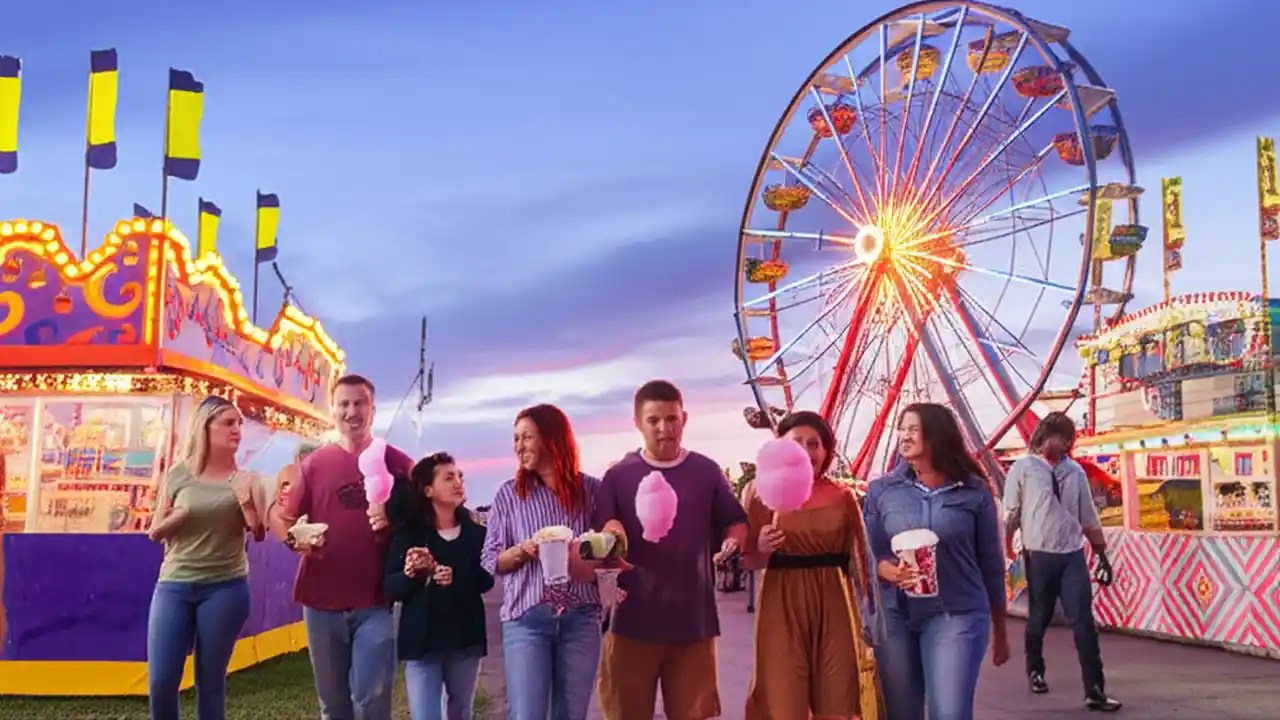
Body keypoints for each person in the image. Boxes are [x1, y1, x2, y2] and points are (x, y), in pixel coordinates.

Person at [593, 380, 748, 720]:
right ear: (637, 423)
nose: (665, 428)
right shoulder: (618, 477)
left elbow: (735, 521)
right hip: (630, 624)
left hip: (693, 625)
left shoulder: (706, 472)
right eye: (654, 420)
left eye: (672, 419)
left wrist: (732, 544)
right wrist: (611, 538)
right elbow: (601, 538)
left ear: (684, 419)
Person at [270, 374, 414, 720]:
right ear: (332, 411)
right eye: (344, 404)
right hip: (321, 600)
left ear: (373, 409)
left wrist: (395, 519)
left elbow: (424, 515)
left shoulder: (397, 463)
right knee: (333, 705)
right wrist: (294, 539)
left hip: (376, 601)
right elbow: (281, 515)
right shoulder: (314, 465)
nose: (352, 411)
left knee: (372, 699)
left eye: (360, 403)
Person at [862, 403, 1009, 720]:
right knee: (902, 713)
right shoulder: (881, 491)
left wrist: (1001, 628)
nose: (904, 436)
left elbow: (992, 563)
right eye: (902, 429)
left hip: (956, 613)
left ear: (936, 434)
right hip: (895, 617)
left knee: (950, 712)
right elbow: (865, 551)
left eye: (913, 429)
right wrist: (885, 569)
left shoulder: (974, 492)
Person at [741, 410, 879, 720]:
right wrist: (760, 546)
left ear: (827, 450)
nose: (806, 451)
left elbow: (861, 561)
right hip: (781, 600)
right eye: (796, 443)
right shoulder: (759, 493)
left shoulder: (843, 497)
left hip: (834, 601)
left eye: (814, 443)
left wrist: (872, 620)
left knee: (838, 693)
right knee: (782, 693)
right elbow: (748, 559)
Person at [479, 404, 609, 720]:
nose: (518, 446)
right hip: (526, 620)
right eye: (516, 438)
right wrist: (523, 550)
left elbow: (612, 549)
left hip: (580, 617)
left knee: (571, 713)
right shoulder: (509, 495)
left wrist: (581, 553)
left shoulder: (592, 490)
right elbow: (490, 560)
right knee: (527, 714)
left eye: (527, 437)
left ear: (552, 439)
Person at [145, 395, 264, 720]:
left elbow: (258, 530)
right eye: (228, 422)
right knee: (161, 682)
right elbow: (155, 530)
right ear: (204, 427)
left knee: (210, 683)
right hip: (174, 585)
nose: (236, 429)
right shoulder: (178, 475)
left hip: (225, 587)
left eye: (239, 423)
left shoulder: (246, 479)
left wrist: (246, 502)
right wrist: (179, 515)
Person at [1004, 412, 1122, 712]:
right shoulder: (1024, 468)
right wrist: (1008, 545)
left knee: (1084, 622)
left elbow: (1087, 515)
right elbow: (1011, 512)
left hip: (1071, 555)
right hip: (1038, 553)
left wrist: (1101, 554)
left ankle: (1094, 689)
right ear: (1046, 436)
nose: (1065, 444)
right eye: (1061, 437)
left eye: (1068, 440)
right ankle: (1035, 670)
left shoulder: (1075, 472)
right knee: (1039, 617)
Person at [385, 452, 494, 720]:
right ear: (428, 489)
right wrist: (412, 574)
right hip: (422, 644)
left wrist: (457, 577)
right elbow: (390, 587)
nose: (458, 482)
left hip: (464, 640)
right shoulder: (408, 535)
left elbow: (487, 580)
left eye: (459, 477)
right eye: (449, 477)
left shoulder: (476, 534)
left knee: (460, 712)